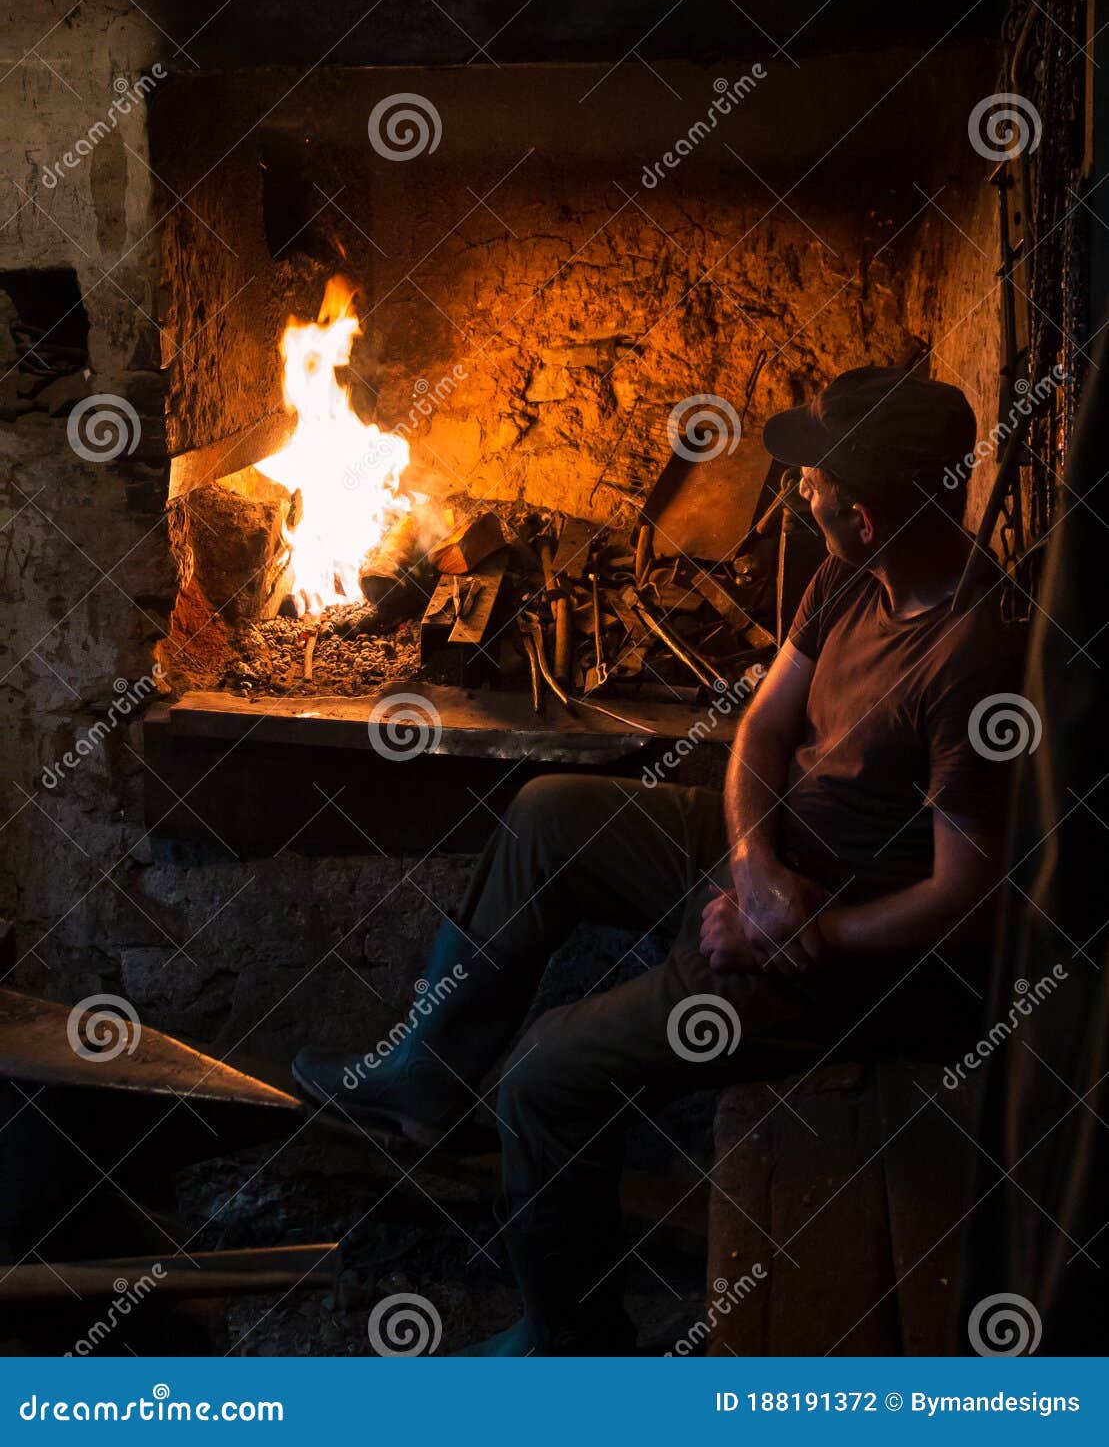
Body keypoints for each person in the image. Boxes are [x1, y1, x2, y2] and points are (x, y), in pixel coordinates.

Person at [293, 365, 1023, 1355]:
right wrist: (752, 858)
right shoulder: (853, 573)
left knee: (545, 1075)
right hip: (776, 870)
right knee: (550, 813)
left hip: (843, 959)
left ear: (859, 511)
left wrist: (794, 930)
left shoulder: (971, 654)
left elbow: (966, 898)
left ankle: (571, 1345)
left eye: (811, 486)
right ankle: (426, 1072)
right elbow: (763, 729)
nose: (795, 495)